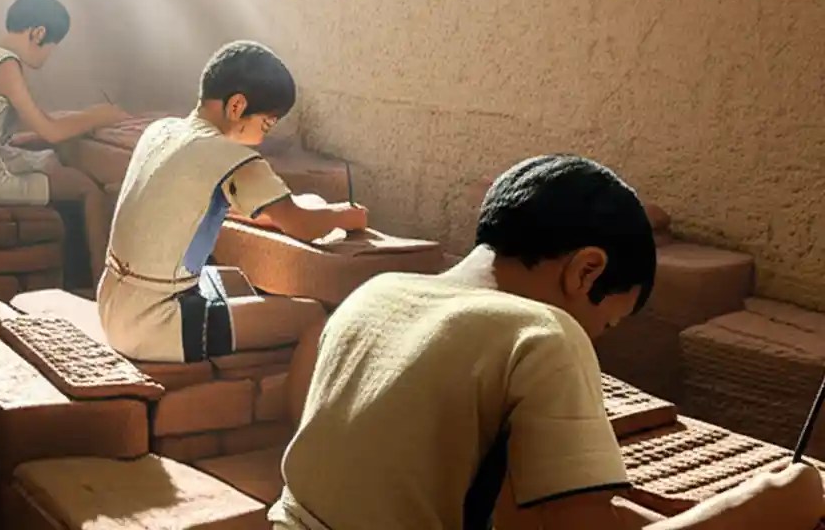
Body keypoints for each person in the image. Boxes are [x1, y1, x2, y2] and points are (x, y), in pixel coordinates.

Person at [270, 154, 825, 530]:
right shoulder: (542, 333)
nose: (593, 340)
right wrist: (759, 504)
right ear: (586, 271)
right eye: (604, 325)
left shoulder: (377, 293)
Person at [97, 40, 368, 363]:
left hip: (113, 305)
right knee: (311, 316)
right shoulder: (229, 156)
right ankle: (305, 412)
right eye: (266, 124)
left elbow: (251, 213)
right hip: (157, 324)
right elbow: (302, 224)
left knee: (234, 281)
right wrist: (347, 216)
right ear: (237, 106)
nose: (263, 137)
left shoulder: (161, 131)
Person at [0, 0, 128, 285]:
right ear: (38, 33)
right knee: (87, 188)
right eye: (51, 48)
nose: (48, 56)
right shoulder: (6, 66)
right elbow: (50, 130)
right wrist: (99, 116)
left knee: (51, 157)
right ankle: (102, 284)